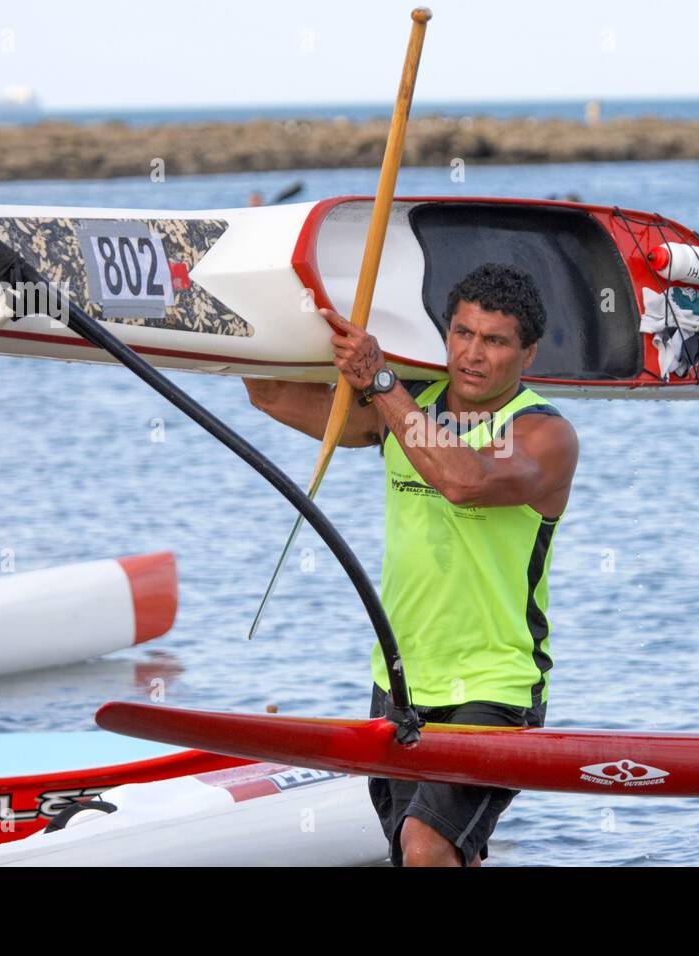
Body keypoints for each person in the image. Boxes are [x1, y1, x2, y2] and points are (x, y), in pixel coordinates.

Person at [243, 262, 578, 866]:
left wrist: (380, 377)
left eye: (495, 340)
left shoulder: (542, 436)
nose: (473, 354)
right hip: (401, 682)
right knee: (428, 852)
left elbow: (462, 479)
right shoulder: (398, 410)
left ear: (526, 353)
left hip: (496, 686)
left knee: (426, 847)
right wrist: (256, 295)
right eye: (462, 333)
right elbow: (267, 392)